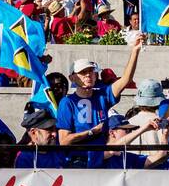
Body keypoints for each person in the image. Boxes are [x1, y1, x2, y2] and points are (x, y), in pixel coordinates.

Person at [56, 37, 142, 167]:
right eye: (83, 72)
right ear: (72, 78)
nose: (88, 75)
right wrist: (92, 132)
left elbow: (125, 79)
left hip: (102, 159)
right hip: (78, 162)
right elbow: (64, 140)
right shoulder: (67, 102)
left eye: (91, 71)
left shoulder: (102, 95)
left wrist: (135, 51)